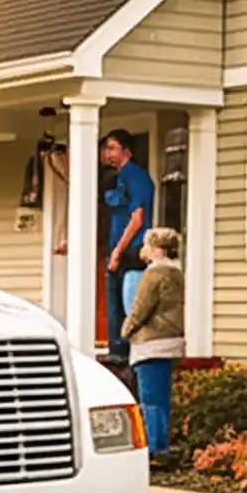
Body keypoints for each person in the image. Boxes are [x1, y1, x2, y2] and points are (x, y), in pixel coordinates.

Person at [121, 227, 185, 458]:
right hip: (171, 340)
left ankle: (155, 449)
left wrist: (126, 330)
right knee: (162, 399)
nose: (143, 249)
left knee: (149, 400)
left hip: (151, 343)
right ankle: (161, 444)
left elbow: (140, 309)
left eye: (147, 245)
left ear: (157, 249)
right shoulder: (177, 274)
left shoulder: (153, 275)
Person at [101, 129, 155, 361]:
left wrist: (117, 252)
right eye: (106, 148)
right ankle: (116, 351)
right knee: (112, 304)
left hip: (131, 252)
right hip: (117, 249)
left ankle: (126, 352)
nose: (107, 153)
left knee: (127, 304)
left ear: (127, 152)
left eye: (113, 148)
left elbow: (137, 219)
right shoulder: (115, 178)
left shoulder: (136, 176)